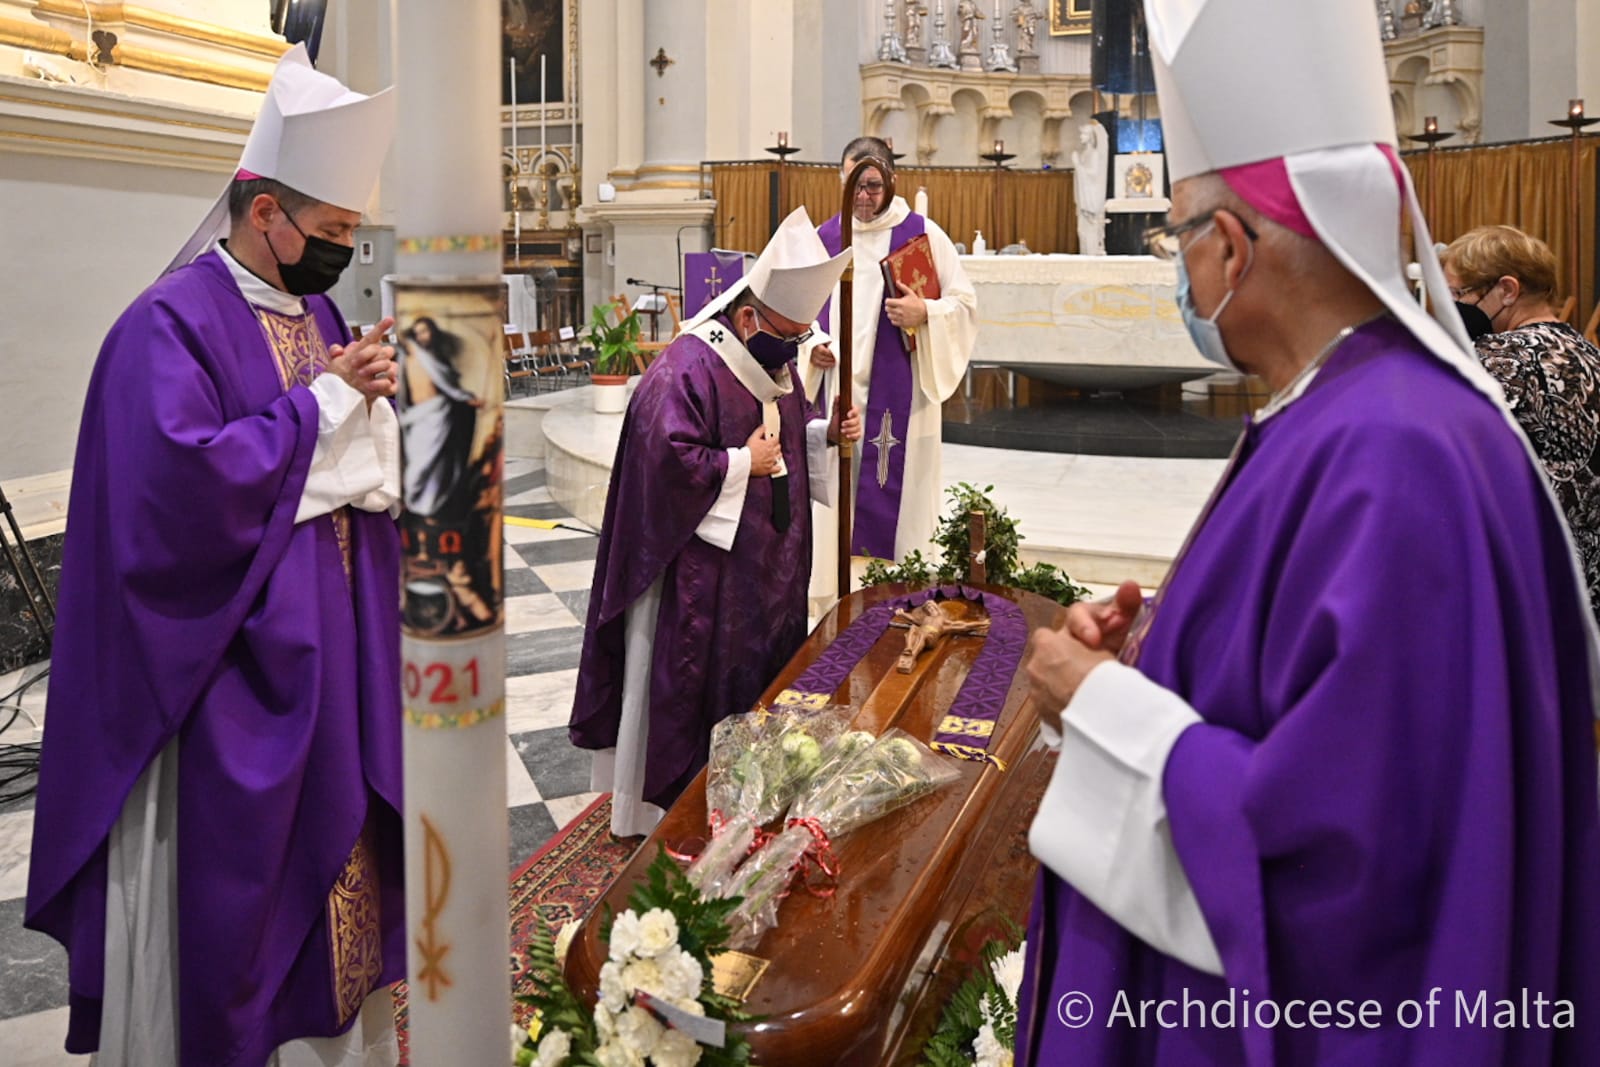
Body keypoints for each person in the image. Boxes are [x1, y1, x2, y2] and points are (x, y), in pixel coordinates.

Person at [1014, 3, 1600, 1064]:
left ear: (1230, 245)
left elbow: (1345, 875)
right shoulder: (1340, 411)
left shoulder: (1391, 456)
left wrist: (1096, 703)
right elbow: (1325, 701)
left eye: (1179, 239)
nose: (1182, 273)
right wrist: (1159, 663)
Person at [25, 45, 407, 1067]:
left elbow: (333, 454)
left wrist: (366, 398)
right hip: (224, 687)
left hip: (329, 661)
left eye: (350, 235)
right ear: (264, 208)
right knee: (238, 910)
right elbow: (177, 495)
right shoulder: (165, 324)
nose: (340, 254)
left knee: (343, 893)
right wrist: (328, 403)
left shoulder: (314, 309)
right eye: (329, 232)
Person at [569, 207, 862, 838]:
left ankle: (749, 802)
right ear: (750, 317)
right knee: (691, 696)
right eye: (789, 333)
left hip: (765, 574)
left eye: (803, 337)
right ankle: (667, 815)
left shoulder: (772, 363)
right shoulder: (685, 367)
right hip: (697, 585)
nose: (794, 351)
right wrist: (739, 463)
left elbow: (789, 435)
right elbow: (660, 459)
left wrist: (826, 437)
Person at [806, 136, 978, 613]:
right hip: (835, 398)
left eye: (872, 186)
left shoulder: (922, 236)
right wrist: (809, 347)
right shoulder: (822, 240)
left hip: (902, 401)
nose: (862, 197)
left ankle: (903, 601)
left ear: (890, 180)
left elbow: (965, 306)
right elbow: (791, 312)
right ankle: (831, 605)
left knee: (902, 519)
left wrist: (925, 311)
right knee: (834, 516)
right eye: (854, 185)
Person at [1443, 225, 1600, 619]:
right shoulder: (1584, 349)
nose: (1452, 307)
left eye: (1459, 295)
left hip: (1532, 572)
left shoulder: (1497, 358)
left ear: (1508, 290)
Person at [398, 316, 484, 519]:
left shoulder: (435, 358)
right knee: (419, 465)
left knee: (440, 464)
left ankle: (430, 506)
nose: (421, 337)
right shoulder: (408, 361)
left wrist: (465, 398)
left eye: (425, 331)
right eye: (417, 333)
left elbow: (447, 385)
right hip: (419, 416)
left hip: (440, 412)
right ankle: (414, 503)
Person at [1071, 119, 1109, 256]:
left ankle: (1091, 260)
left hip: (1090, 199)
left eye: (1084, 134)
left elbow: (1094, 175)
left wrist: (1078, 165)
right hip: (1083, 197)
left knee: (1090, 233)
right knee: (1082, 231)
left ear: (1090, 137)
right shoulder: (1084, 154)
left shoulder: (1094, 154)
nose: (1081, 137)